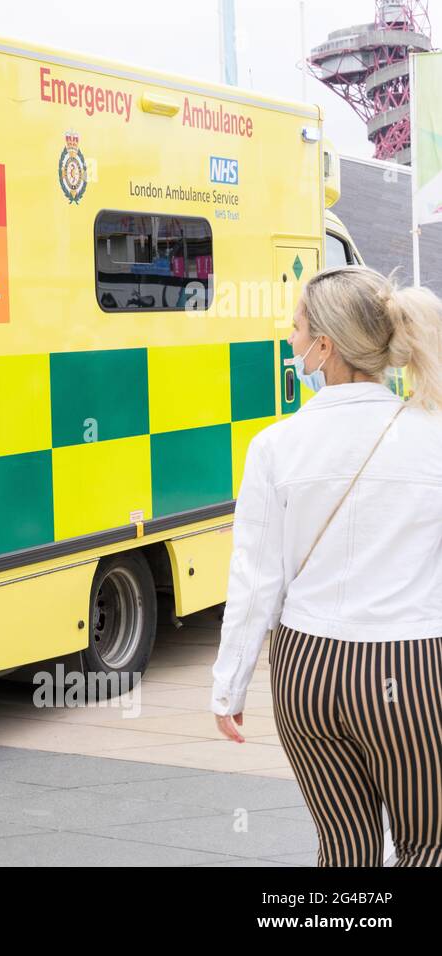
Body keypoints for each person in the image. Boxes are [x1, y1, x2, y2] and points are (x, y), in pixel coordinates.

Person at [212, 265, 442, 866]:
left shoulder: (274, 445)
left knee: (344, 847)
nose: (289, 342)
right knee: (428, 844)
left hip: (306, 672)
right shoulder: (433, 437)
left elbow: (255, 580)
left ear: (325, 346)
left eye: (295, 329)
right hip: (410, 667)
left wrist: (229, 685)